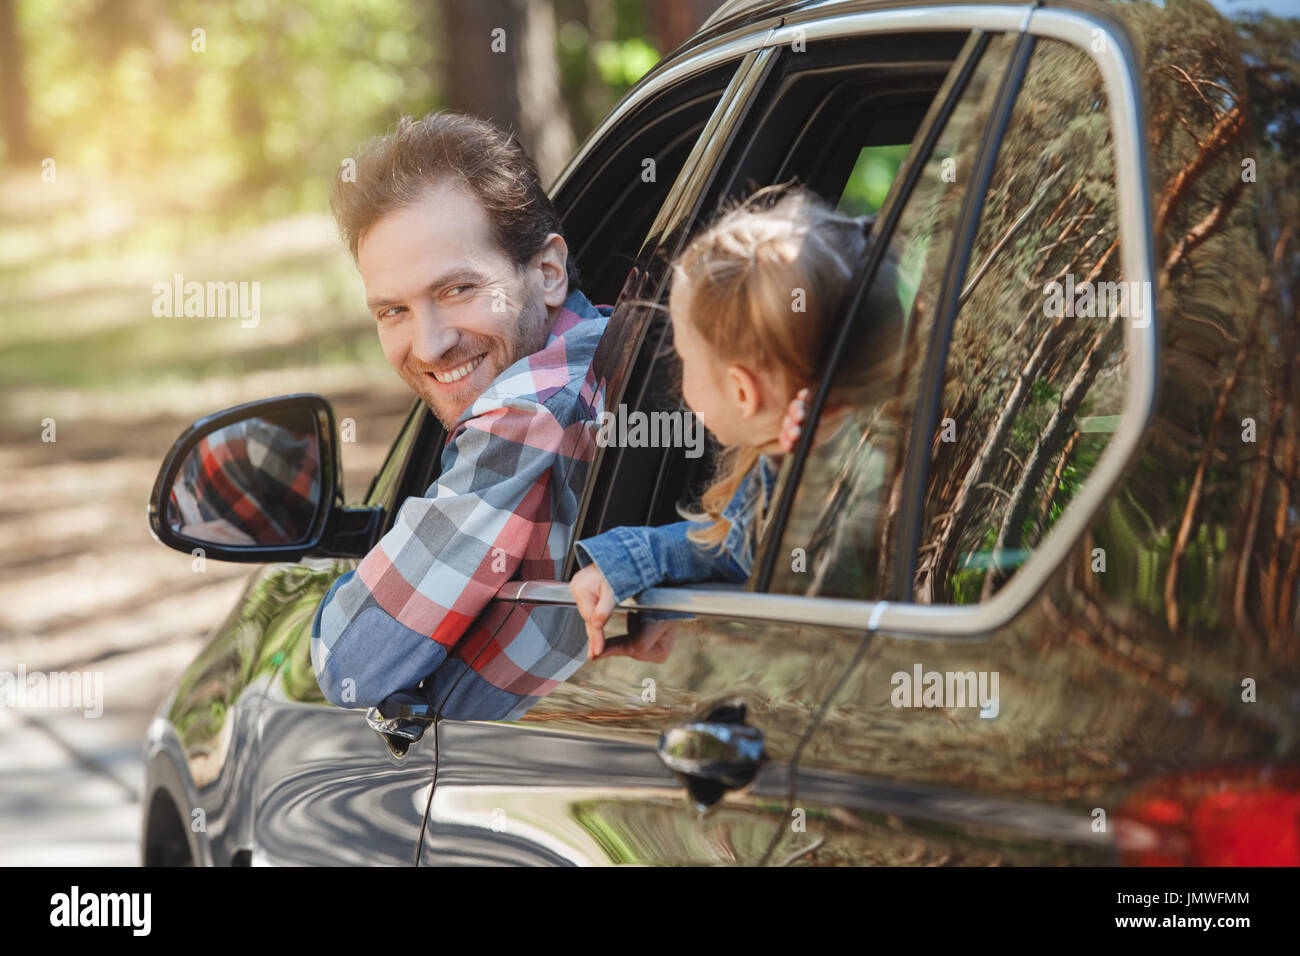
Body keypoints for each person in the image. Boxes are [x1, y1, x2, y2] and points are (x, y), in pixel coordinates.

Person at [310, 112, 612, 714]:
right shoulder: (603, 345)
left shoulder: (526, 410)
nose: (428, 346)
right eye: (393, 311)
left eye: (457, 290)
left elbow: (351, 662)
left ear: (547, 272)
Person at [569, 184, 902, 656]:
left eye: (683, 359)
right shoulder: (772, 470)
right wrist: (629, 564)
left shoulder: (850, 488)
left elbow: (825, 582)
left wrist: (807, 481)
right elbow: (733, 546)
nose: (680, 384)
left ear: (743, 391)